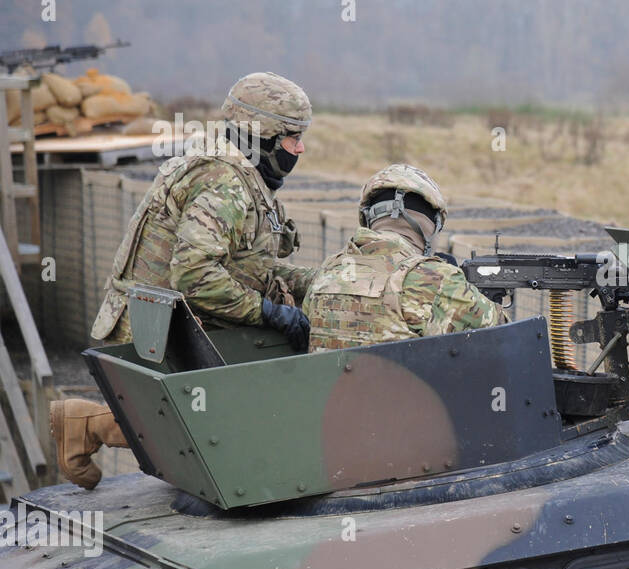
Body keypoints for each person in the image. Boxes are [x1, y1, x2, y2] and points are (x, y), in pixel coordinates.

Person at [51, 72, 319, 490]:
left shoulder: (238, 171)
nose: (300, 148)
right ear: (262, 136)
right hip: (159, 328)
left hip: (173, 320)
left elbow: (250, 264)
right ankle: (86, 423)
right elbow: (195, 275)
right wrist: (266, 312)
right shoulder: (225, 182)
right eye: (292, 137)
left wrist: (318, 282)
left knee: (211, 429)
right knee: (214, 433)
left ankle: (87, 421)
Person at [303, 164, 507, 350]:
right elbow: (502, 332)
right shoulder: (436, 280)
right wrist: (463, 287)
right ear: (430, 227)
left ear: (368, 218)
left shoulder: (328, 270)